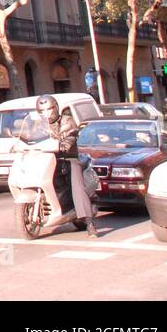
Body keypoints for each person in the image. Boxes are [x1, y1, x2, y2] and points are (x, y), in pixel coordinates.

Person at [36, 95, 97, 236]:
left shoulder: (66, 120)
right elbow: (30, 136)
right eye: (42, 111)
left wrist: (66, 143)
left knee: (77, 186)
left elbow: (71, 133)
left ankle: (90, 224)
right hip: (48, 159)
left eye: (49, 109)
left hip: (68, 158)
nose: (46, 113)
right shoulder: (39, 125)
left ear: (55, 108)